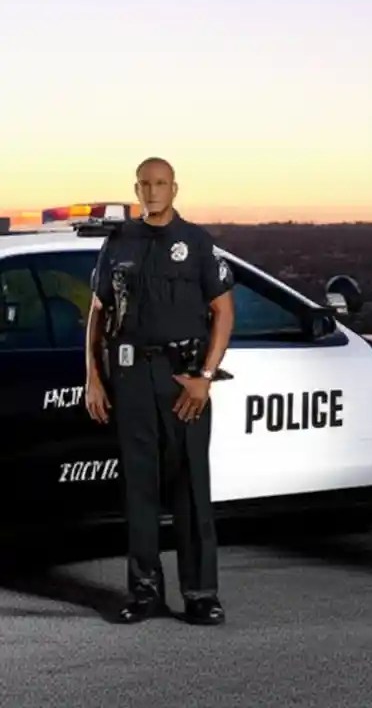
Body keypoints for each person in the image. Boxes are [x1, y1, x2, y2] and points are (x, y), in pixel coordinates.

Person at [84, 157, 236, 624]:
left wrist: (205, 378)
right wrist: (93, 376)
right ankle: (144, 592)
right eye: (145, 184)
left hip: (181, 379)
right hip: (130, 379)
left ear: (175, 188)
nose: (152, 191)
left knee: (191, 488)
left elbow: (223, 313)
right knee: (140, 490)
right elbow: (98, 312)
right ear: (136, 188)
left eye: (161, 184)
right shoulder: (119, 243)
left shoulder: (196, 243)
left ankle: (200, 594)